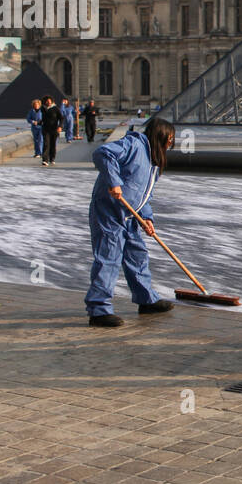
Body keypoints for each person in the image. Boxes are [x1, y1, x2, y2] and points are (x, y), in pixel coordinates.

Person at [85, 117, 176, 327]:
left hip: (130, 215)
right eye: (169, 139)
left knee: (137, 255)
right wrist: (114, 182)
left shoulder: (153, 160)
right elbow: (102, 153)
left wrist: (146, 217)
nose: (170, 144)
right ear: (159, 135)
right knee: (109, 257)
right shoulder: (134, 144)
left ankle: (146, 300)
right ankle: (98, 309)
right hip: (109, 210)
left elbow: (144, 194)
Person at [40, 96, 63, 166]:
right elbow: (43, 118)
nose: (48, 102)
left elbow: (61, 118)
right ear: (45, 102)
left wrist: (60, 126)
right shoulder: (43, 108)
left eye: (50, 101)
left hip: (54, 129)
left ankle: (52, 159)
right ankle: (45, 160)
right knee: (46, 144)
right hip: (45, 129)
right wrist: (38, 122)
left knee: (53, 144)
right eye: (47, 101)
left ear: (52, 101)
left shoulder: (55, 108)